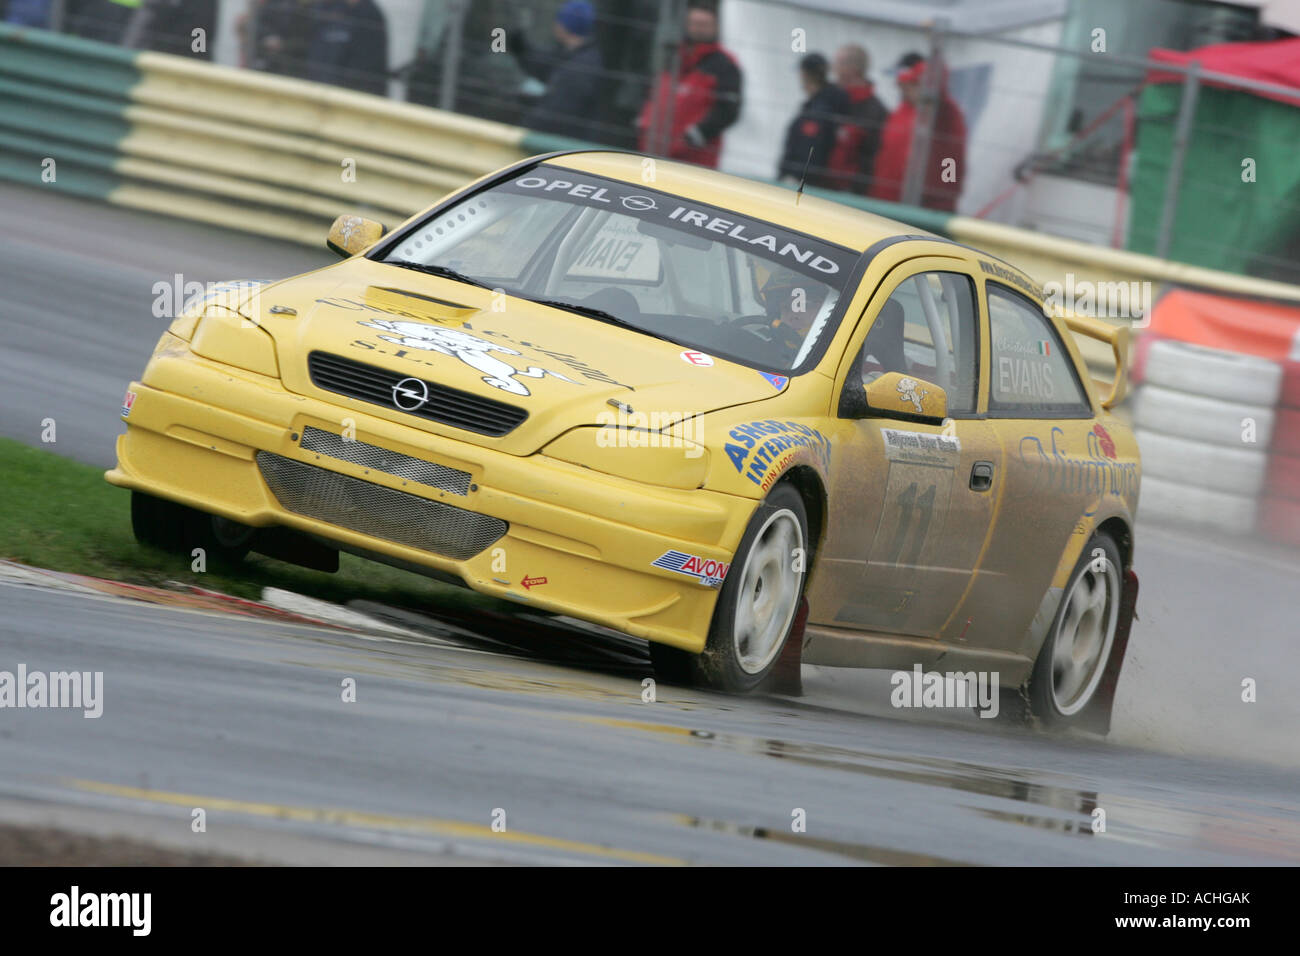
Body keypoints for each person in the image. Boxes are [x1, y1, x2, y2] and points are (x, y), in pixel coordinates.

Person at [637, 0, 742, 168]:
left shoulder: (725, 65)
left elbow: (728, 110)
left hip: (695, 160)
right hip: (653, 151)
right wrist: (644, 122)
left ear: (715, 26)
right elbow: (652, 92)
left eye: (704, 24)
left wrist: (695, 136)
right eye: (694, 23)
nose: (698, 29)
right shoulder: (673, 56)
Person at [868, 52, 967, 211]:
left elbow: (939, 85)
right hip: (888, 202)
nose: (900, 87)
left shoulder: (944, 113)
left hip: (928, 207)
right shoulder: (902, 112)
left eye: (910, 83)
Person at [515, 1, 604, 141]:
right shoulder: (574, 55)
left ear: (565, 26)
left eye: (559, 19)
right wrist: (520, 48)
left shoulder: (579, 68)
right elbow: (543, 67)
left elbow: (552, 115)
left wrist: (520, 133)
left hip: (564, 146)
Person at [777, 52, 848, 187]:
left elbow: (809, 149)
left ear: (805, 75)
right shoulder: (825, 103)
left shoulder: (818, 111)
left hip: (803, 183)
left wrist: (795, 177)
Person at [826, 43, 888, 194]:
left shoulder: (875, 111)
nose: (834, 69)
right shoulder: (827, 99)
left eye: (838, 64)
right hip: (818, 186)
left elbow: (873, 158)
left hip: (850, 193)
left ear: (853, 69)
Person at [307, 0, 390, 97]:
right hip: (314, 93)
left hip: (346, 100)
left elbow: (364, 74)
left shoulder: (369, 15)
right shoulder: (328, 10)